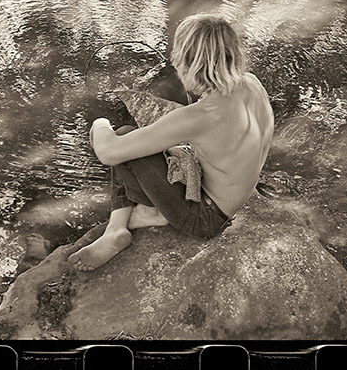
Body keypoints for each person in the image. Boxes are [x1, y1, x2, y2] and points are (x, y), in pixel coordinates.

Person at [68, 14, 274, 272]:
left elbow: (108, 153)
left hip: (204, 219)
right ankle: (119, 228)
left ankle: (140, 217)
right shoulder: (252, 84)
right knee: (139, 143)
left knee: (123, 136)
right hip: (233, 198)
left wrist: (99, 123)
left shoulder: (200, 116)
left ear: (189, 65)